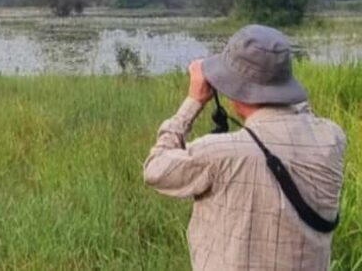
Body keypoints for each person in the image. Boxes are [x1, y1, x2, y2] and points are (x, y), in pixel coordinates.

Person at [144, 25, 346, 270]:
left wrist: (193, 102)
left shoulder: (222, 153)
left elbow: (155, 169)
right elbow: (300, 114)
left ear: (235, 89)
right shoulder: (333, 138)